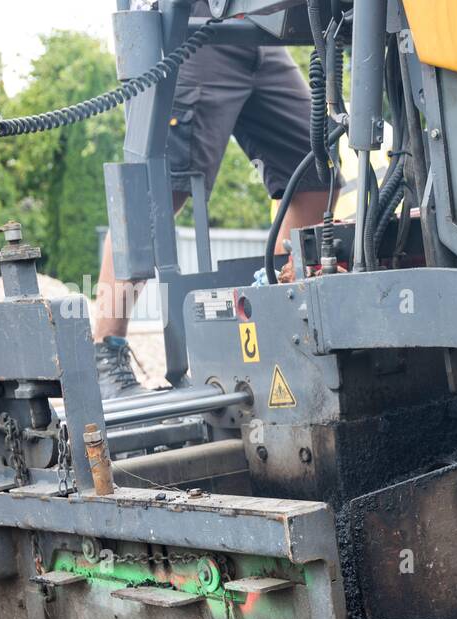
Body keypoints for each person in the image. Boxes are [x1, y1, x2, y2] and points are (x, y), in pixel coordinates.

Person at [95, 1, 331, 397]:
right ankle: (104, 352)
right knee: (159, 195)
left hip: (263, 29)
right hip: (195, 26)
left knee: (316, 174)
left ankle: (283, 322)